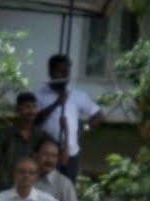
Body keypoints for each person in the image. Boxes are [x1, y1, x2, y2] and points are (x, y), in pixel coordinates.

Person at [34, 52, 102, 180]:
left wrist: (85, 128)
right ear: (51, 72)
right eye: (60, 72)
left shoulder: (77, 95)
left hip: (70, 153)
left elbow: (97, 114)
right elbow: (34, 121)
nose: (64, 76)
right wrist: (56, 104)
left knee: (67, 190)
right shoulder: (39, 95)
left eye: (67, 72)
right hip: (45, 155)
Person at [0, 91, 40, 194]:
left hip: (30, 193)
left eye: (34, 107)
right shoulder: (4, 135)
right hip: (5, 190)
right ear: (17, 109)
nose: (31, 111)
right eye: (27, 107)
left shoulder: (40, 136)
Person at [33, 135, 80, 201]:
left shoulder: (64, 184)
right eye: (46, 154)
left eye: (54, 156)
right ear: (35, 156)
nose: (50, 160)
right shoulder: (25, 179)